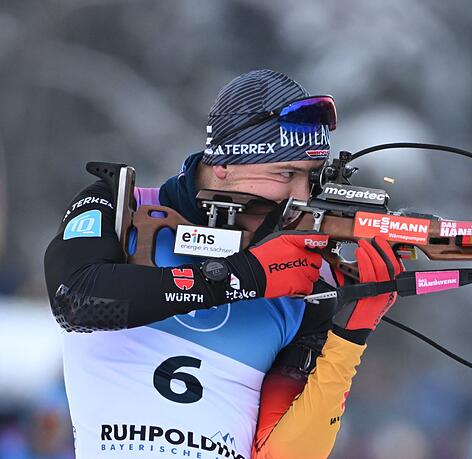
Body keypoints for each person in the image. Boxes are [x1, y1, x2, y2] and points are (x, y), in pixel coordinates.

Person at [43, 69, 403, 459]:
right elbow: (75, 299)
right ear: (224, 165)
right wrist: (240, 277)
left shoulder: (304, 282)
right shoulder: (123, 207)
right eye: (286, 174)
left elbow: (282, 454)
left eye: (311, 179)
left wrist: (351, 335)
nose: (299, 197)